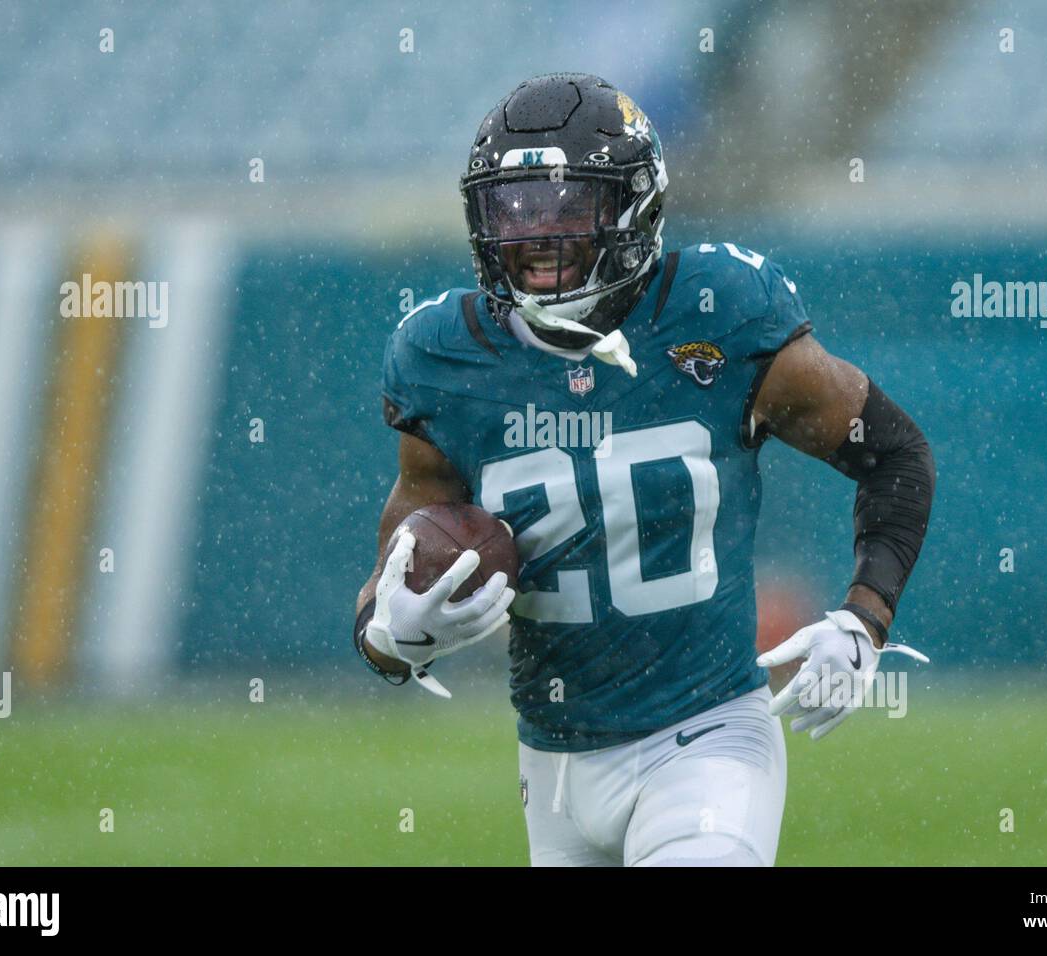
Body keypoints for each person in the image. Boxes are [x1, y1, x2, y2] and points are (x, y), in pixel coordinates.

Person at [352, 73, 935, 866]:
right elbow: (380, 606)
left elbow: (895, 455)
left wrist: (864, 621)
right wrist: (395, 635)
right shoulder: (441, 357)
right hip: (552, 770)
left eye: (565, 207)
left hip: (708, 739)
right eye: (513, 208)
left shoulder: (718, 309)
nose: (535, 238)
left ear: (632, 207)